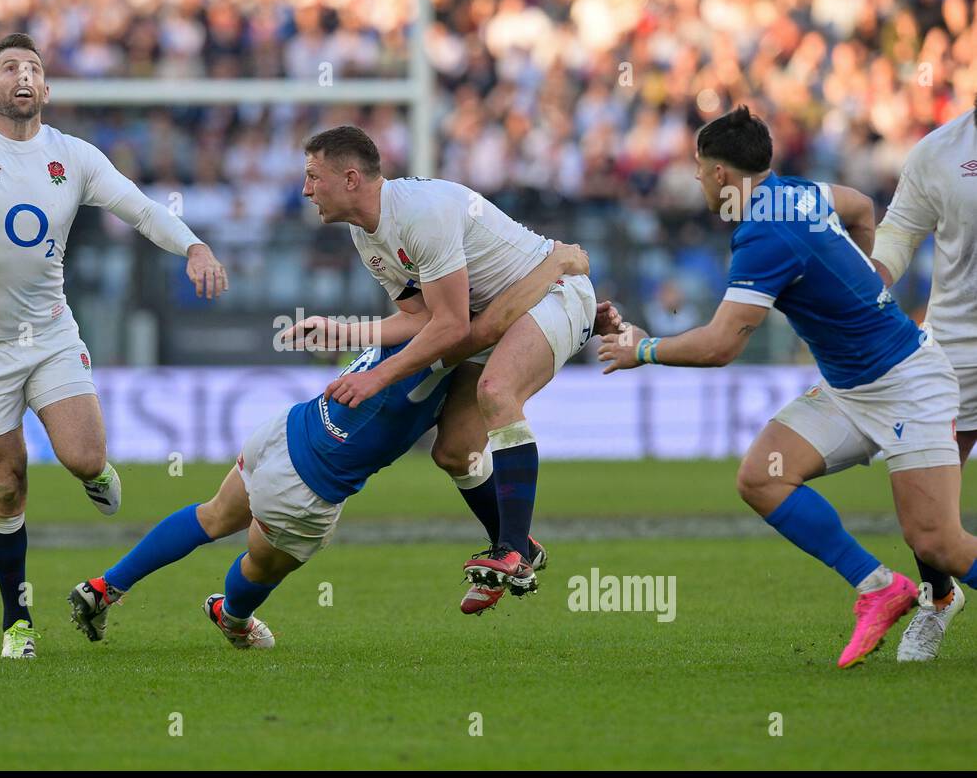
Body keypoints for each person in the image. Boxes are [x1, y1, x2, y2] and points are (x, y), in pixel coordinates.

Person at [0, 31, 228, 659]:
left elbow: (142, 210)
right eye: (9, 67)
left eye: (33, 67)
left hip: (50, 337)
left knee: (85, 457)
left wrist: (193, 244)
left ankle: (95, 473)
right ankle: (17, 618)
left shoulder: (75, 156)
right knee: (6, 485)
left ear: (46, 87)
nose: (23, 75)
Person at [69, 242, 602, 646]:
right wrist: (556, 271)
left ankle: (103, 586)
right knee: (259, 568)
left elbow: (459, 322)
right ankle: (230, 617)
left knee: (212, 516)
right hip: (308, 486)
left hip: (286, 430)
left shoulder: (416, 321)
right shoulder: (449, 338)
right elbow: (496, 325)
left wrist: (583, 318)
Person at [599, 105, 977, 668]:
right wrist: (863, 281)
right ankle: (879, 587)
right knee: (762, 477)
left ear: (722, 175)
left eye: (700, 168)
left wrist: (644, 350)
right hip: (854, 387)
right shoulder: (794, 192)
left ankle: (931, 592)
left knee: (937, 543)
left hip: (908, 385)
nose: (698, 178)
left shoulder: (764, 235)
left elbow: (722, 345)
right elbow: (860, 206)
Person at [297, 125, 600, 613]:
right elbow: (420, 319)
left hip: (552, 294)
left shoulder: (419, 213)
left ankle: (513, 552)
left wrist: (376, 377)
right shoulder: (365, 233)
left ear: (350, 178)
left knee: (498, 391)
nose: (306, 189)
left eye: (313, 177)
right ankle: (518, 543)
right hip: (494, 316)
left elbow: (453, 328)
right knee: (455, 453)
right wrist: (345, 331)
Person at [870, 97, 977, 660]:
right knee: (926, 511)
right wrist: (869, 281)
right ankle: (938, 600)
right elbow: (899, 232)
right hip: (954, 348)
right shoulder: (939, 151)